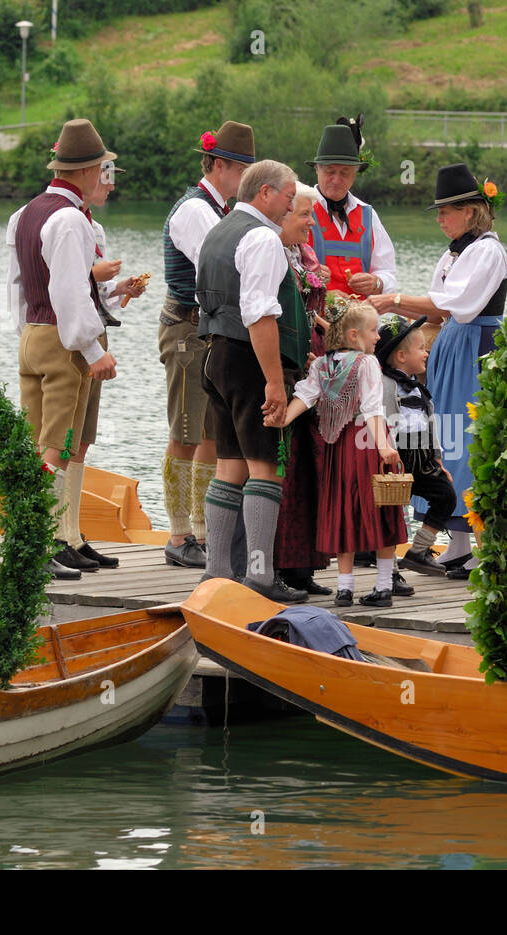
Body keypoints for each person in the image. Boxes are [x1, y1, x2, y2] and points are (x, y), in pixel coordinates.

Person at [368, 162, 507, 581]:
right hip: (451, 343)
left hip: (476, 347)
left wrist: (392, 300)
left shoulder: (487, 250)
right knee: (443, 434)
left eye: (446, 210)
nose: (439, 218)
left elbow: (451, 304)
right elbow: (438, 305)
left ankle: (476, 544)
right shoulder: (456, 252)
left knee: (468, 436)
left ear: (469, 210)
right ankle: (458, 545)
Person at [6, 118, 120, 581]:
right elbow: (72, 292)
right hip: (62, 342)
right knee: (55, 446)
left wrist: (26, 334)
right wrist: (94, 351)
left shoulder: (25, 212)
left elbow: (16, 283)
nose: (105, 178)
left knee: (47, 444)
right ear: (90, 170)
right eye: (103, 170)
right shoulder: (71, 220)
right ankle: (36, 544)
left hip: (33, 335)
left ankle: (56, 538)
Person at [196, 159, 309, 603]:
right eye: (288, 196)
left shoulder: (220, 229)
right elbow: (259, 312)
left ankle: (216, 574)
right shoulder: (261, 236)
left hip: (214, 356)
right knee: (267, 467)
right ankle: (260, 576)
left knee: (229, 466)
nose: (291, 204)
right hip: (248, 360)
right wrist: (275, 383)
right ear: (265, 193)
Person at [159, 121, 255, 569]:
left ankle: (200, 530)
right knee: (185, 431)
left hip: (205, 329)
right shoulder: (195, 210)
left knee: (211, 434)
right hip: (186, 329)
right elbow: (218, 269)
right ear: (219, 165)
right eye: (240, 169)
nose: (245, 180)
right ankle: (179, 534)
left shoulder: (216, 209)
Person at [267, 301, 404, 607]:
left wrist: (283, 418)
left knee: (342, 510)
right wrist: (384, 445)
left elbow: (305, 396)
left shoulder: (321, 365)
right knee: (382, 509)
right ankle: (383, 586)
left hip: (336, 446)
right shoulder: (368, 364)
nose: (378, 337)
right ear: (354, 335)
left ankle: (344, 588)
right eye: (373, 330)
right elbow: (372, 408)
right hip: (366, 442)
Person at [74, 158, 148, 569]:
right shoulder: (64, 221)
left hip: (94, 333)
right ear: (87, 176)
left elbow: (94, 295)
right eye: (107, 178)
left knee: (82, 439)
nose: (112, 186)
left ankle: (71, 532)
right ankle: (58, 535)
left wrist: (119, 291)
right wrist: (92, 274)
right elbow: (63, 285)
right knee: (62, 441)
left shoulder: (94, 227)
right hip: (72, 338)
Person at [274, 182, 333, 597]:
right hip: (290, 363)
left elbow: (314, 307)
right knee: (288, 466)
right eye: (304, 216)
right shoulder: (271, 252)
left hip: (311, 361)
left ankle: (306, 564)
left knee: (313, 465)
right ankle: (279, 563)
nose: (311, 224)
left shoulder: (302, 252)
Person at [376, 317, 455, 578]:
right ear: (400, 356)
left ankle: (418, 551)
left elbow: (430, 424)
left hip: (422, 456)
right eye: (421, 348)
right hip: (397, 455)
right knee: (394, 514)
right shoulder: (386, 386)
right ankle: (389, 573)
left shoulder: (418, 389)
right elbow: (379, 421)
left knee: (446, 495)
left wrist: (437, 459)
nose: (426, 353)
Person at [307, 115, 397, 300]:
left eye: (345, 173)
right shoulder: (299, 209)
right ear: (317, 169)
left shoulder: (369, 215)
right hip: (315, 324)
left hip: (361, 323)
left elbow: (388, 273)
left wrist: (377, 283)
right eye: (330, 172)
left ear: (355, 174)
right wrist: (321, 292)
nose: (336, 180)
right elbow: (283, 272)